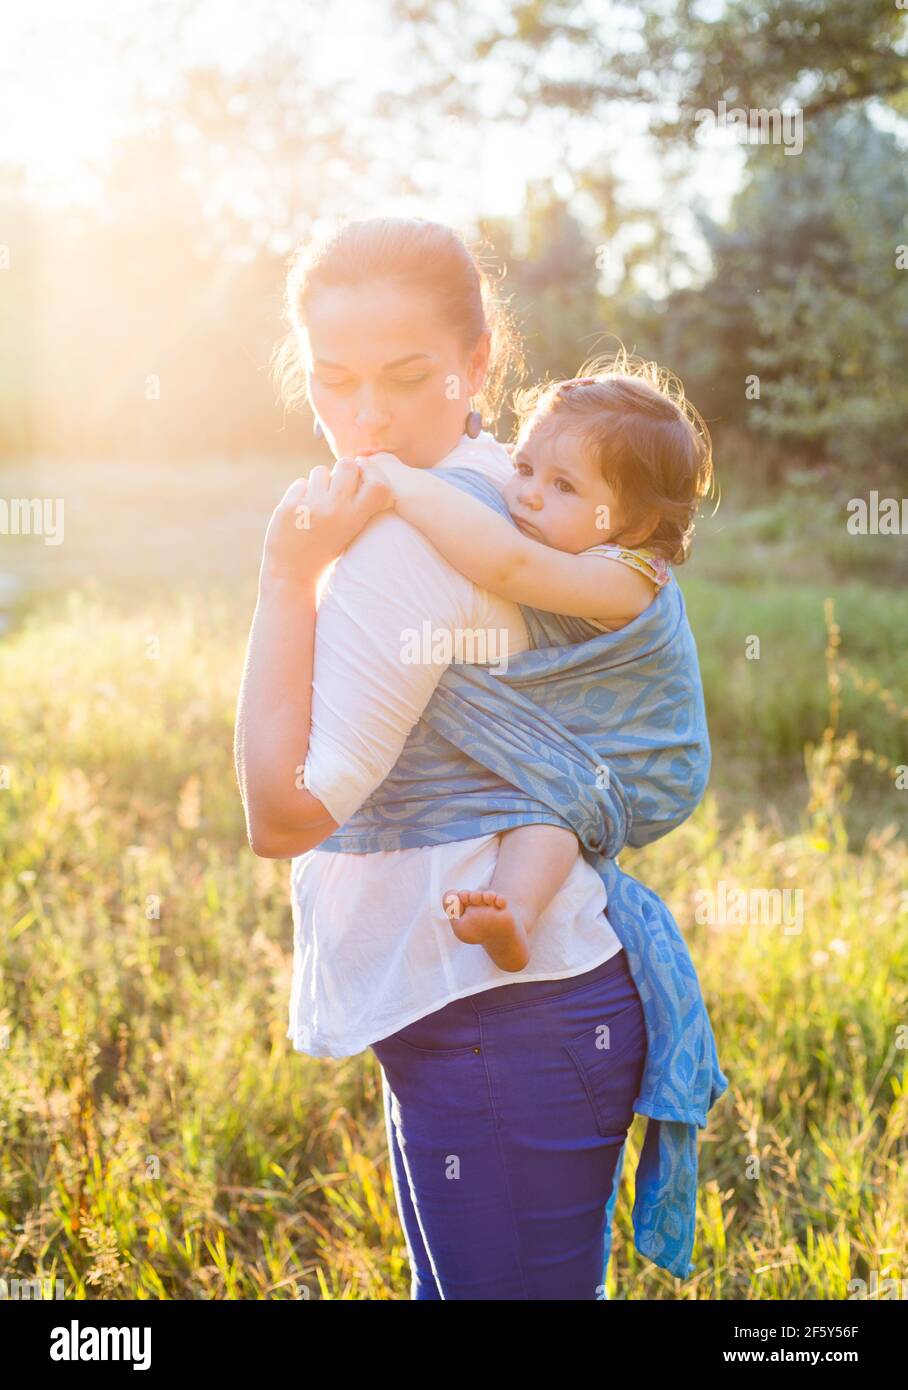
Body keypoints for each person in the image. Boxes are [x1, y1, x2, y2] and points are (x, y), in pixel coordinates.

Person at [234, 216, 727, 1299]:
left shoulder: (418, 531)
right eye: (332, 381)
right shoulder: (503, 486)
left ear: (477, 362)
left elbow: (281, 812)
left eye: (407, 379)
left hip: (504, 1023)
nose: (363, 420)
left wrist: (282, 576)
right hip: (496, 1016)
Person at [355, 355, 712, 973]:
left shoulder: (628, 577)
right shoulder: (579, 536)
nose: (528, 494)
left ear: (637, 523)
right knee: (543, 801)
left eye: (565, 486)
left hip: (648, 758)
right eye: (523, 467)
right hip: (587, 747)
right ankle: (512, 911)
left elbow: (508, 566)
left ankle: (518, 910)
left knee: (556, 805)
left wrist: (402, 483)